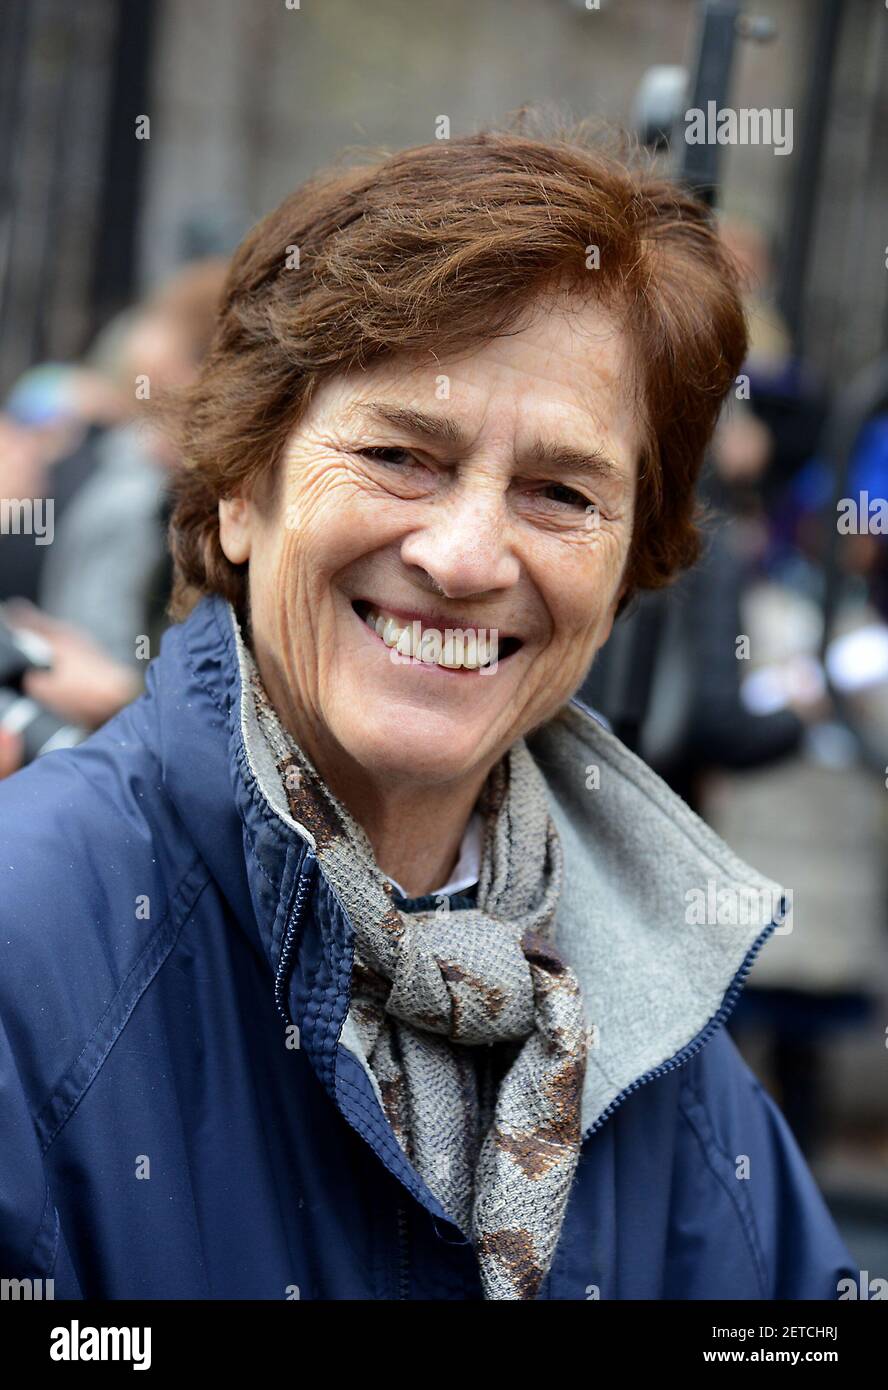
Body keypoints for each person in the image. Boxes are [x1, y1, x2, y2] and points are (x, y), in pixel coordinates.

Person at [0, 125, 860, 1301]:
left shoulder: (659, 1015)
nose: (465, 557)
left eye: (561, 492)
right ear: (243, 495)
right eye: (404, 454)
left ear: (626, 578)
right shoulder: (31, 947)